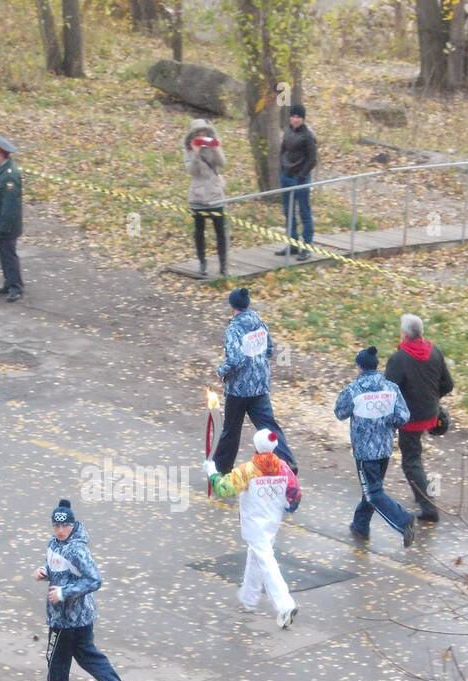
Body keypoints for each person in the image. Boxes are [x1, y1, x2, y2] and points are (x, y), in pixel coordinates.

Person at [34, 499, 140, 681]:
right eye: (56, 526)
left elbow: (94, 580)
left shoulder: (77, 549)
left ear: (73, 525)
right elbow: (59, 569)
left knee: (56, 661)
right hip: (74, 618)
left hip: (67, 619)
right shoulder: (54, 543)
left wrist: (63, 593)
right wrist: (46, 571)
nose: (60, 530)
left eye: (65, 526)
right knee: (90, 658)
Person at [204, 429, 302, 629]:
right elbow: (295, 494)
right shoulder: (284, 468)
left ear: (256, 447)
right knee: (256, 556)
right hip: (272, 522)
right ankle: (249, 598)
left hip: (254, 523)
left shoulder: (248, 470)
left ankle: (285, 604)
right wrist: (289, 506)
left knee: (265, 559)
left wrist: (212, 472)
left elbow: (224, 489)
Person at [334, 345, 416, 548]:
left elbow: (340, 413)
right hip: (385, 449)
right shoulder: (391, 388)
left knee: (373, 492)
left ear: (359, 367)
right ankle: (360, 525)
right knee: (370, 489)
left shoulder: (353, 390)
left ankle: (403, 520)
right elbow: (404, 416)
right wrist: (388, 424)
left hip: (365, 453)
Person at [213, 287, 298, 475]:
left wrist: (221, 371)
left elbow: (235, 360)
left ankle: (221, 469)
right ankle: (288, 463)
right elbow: (269, 349)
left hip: (239, 389)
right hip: (260, 385)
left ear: (231, 305)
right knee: (269, 426)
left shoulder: (234, 329)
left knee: (231, 430)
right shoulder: (259, 322)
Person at [384, 313, 454, 522]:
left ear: (404, 334)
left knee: (411, 460)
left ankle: (428, 507)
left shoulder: (399, 359)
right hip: (430, 414)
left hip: (410, 419)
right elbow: (447, 385)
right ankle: (422, 492)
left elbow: (389, 392)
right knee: (415, 455)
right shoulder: (435, 352)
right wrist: (431, 399)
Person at [184, 118, 228, 277]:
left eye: (203, 131)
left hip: (215, 194)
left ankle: (223, 263)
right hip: (198, 195)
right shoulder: (189, 150)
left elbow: (222, 163)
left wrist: (215, 147)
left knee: (220, 231)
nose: (201, 135)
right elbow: (191, 171)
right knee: (199, 231)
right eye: (198, 133)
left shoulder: (212, 144)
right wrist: (196, 153)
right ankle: (202, 262)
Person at [0, 133, 24, 302]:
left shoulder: (9, 175)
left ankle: (16, 287)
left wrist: (4, 226)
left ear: (0, 154)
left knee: (9, 255)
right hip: (0, 222)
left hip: (7, 224)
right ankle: (9, 282)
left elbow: (10, 206)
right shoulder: (1, 170)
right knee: (4, 254)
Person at [275, 103, 317, 259]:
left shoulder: (308, 135)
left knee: (304, 212)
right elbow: (283, 149)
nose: (295, 119)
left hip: (300, 178)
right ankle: (292, 243)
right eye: (293, 116)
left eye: (298, 117)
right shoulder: (287, 130)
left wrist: (302, 174)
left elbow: (312, 159)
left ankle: (306, 246)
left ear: (303, 119)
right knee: (288, 211)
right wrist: (281, 167)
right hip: (286, 175)